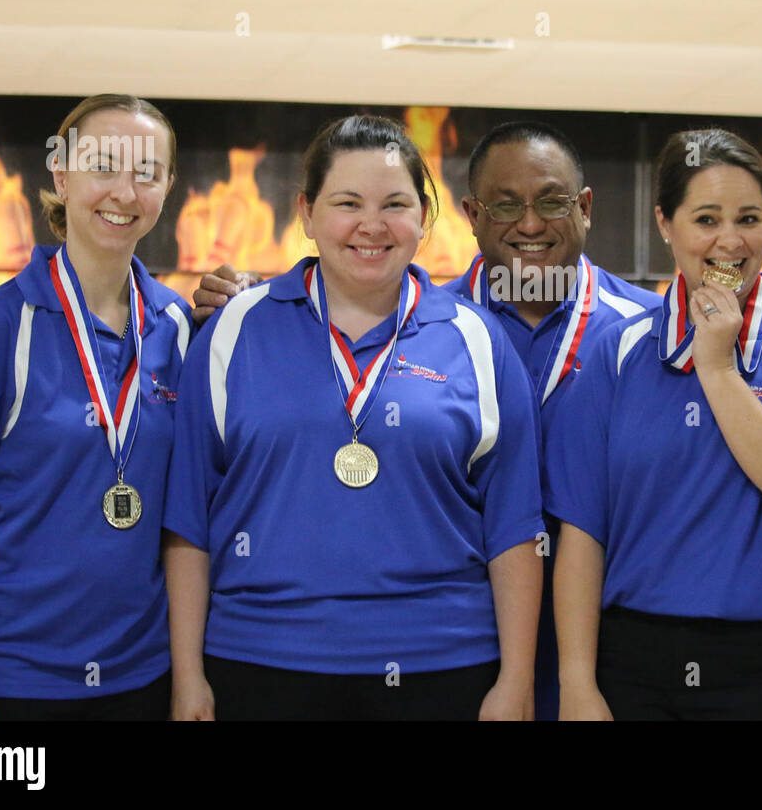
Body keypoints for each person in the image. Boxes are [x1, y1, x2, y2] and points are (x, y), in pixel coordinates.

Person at [192, 119, 762, 719]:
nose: (529, 223)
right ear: (468, 213)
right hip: (494, 643)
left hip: (597, 643)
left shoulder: (632, 327)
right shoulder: (447, 321)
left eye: (552, 201)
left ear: (587, 207)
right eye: (504, 204)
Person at [164, 114, 543, 721]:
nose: (372, 226)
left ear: (423, 217)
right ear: (307, 214)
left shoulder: (475, 337)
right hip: (262, 664)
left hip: (442, 666)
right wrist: (188, 679)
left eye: (395, 203)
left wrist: (516, 681)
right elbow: (188, 519)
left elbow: (514, 529)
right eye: (348, 203)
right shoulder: (235, 329)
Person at [547, 128, 762, 720]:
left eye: (749, 218)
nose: (730, 240)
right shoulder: (618, 352)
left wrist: (717, 365)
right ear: (665, 223)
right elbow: (583, 535)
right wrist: (576, 683)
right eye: (706, 219)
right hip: (635, 661)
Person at [0, 94, 190, 720]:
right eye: (104, 165)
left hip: (144, 676)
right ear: (61, 176)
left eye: (147, 172)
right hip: (17, 682)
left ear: (167, 187)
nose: (124, 191)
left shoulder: (177, 326)